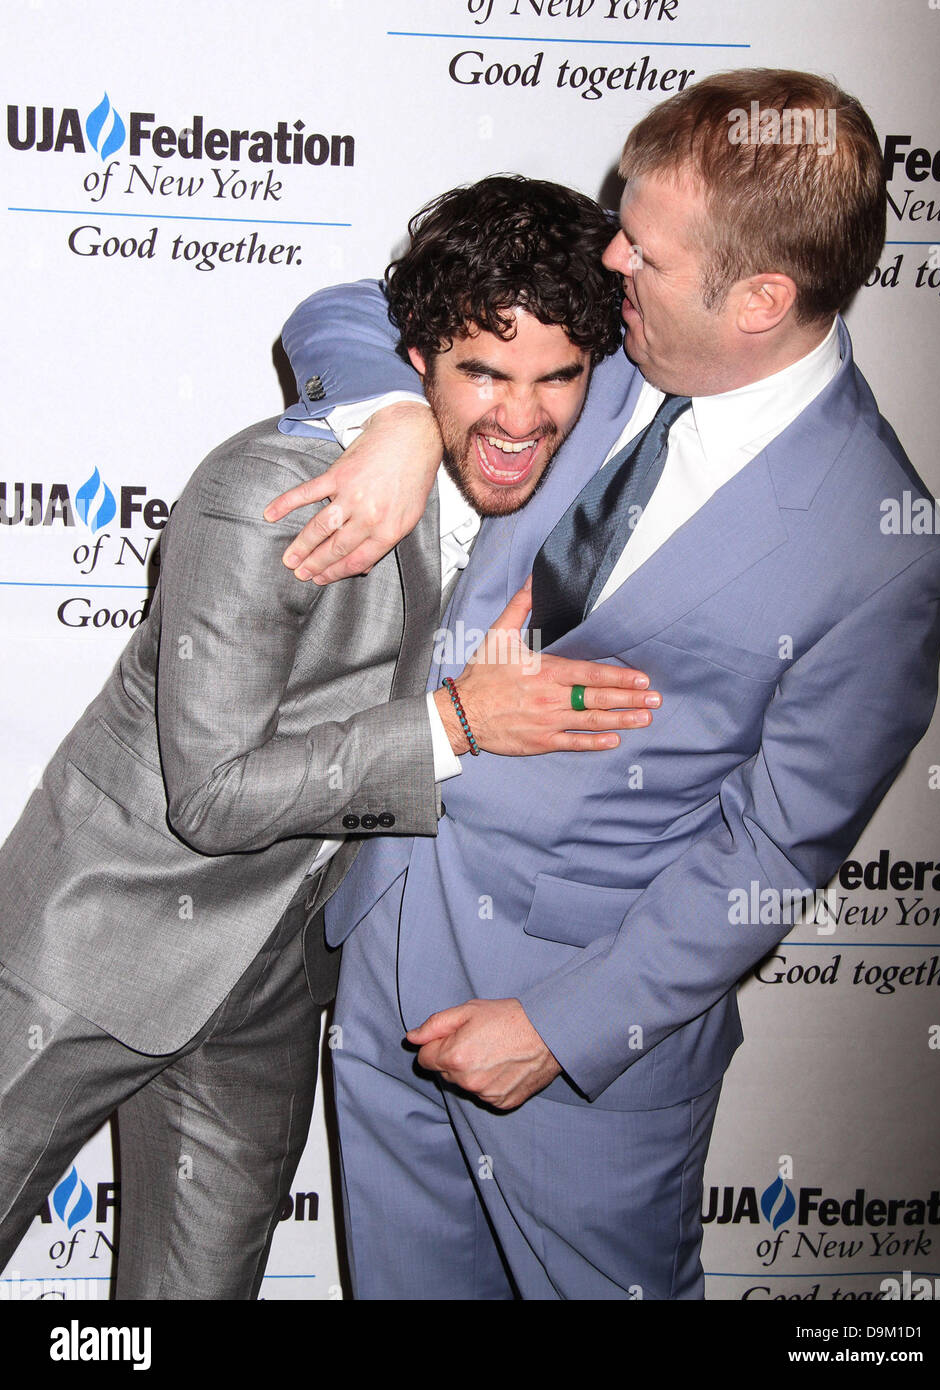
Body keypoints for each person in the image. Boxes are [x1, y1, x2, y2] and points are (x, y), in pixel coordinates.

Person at [270, 69, 940, 1299]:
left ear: (758, 296)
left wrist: (561, 1030)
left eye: (638, 248)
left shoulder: (880, 540)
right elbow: (348, 312)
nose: (606, 258)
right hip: (386, 949)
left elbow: (773, 852)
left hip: (582, 1040)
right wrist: (395, 418)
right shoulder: (609, 334)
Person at [0, 176, 655, 1299]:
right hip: (93, 942)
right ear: (414, 361)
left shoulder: (558, 454)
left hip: (267, 990)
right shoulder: (271, 494)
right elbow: (209, 798)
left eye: (556, 379)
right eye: (481, 375)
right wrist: (455, 726)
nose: (520, 417)